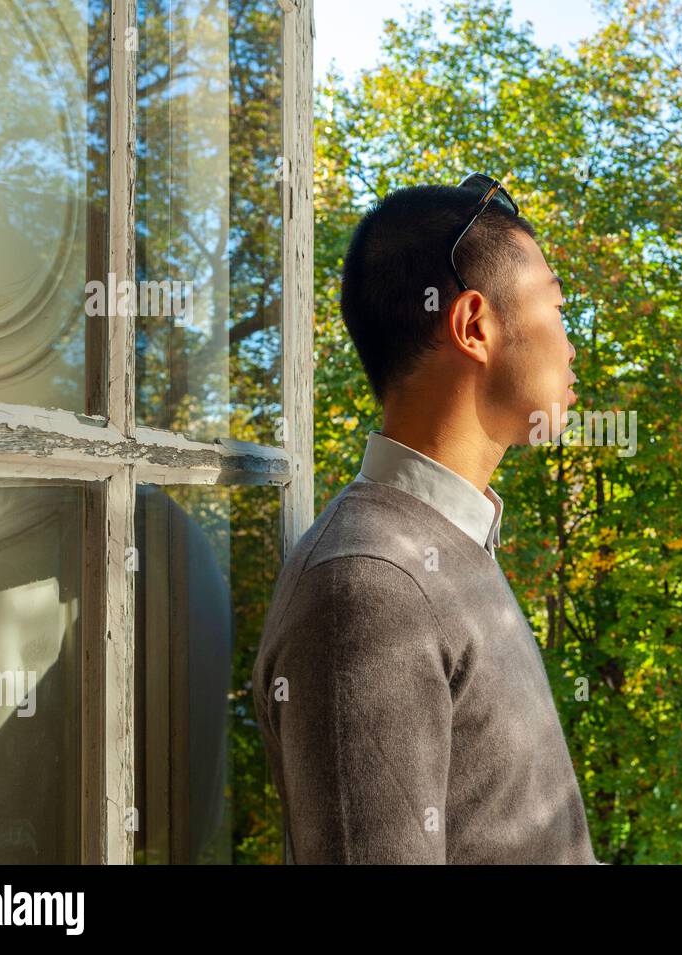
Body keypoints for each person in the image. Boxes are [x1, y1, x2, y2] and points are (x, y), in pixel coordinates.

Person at [253, 174, 600, 864]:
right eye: (557, 310)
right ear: (473, 325)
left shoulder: (446, 547)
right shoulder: (370, 586)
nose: (571, 347)